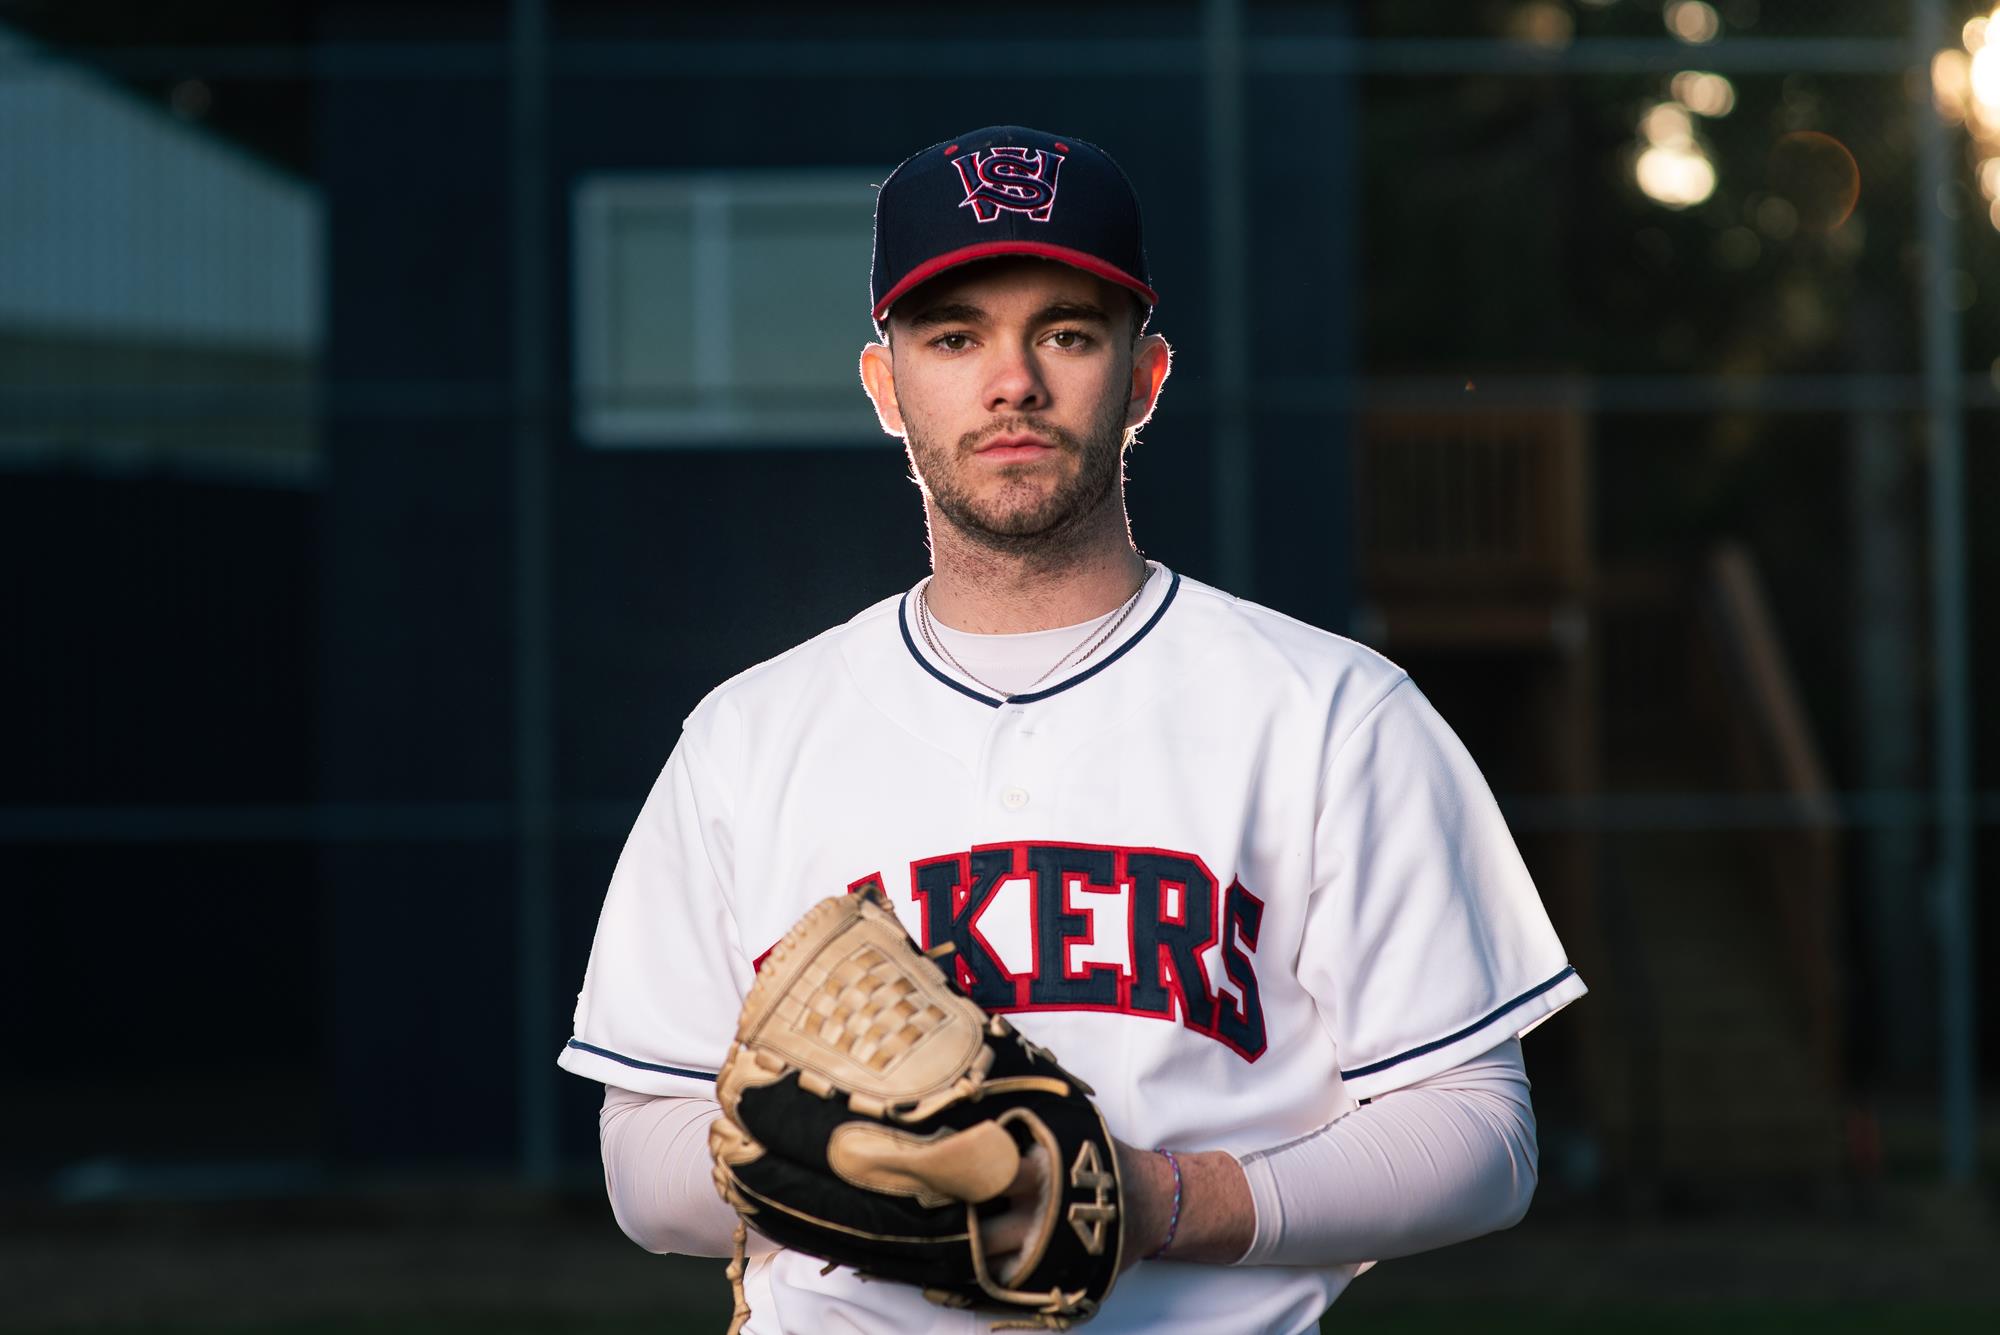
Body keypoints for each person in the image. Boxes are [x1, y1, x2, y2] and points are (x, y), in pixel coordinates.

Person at [558, 125, 1586, 1334]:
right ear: (886, 389)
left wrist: (1145, 1200)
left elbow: (1478, 1136)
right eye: (953, 337)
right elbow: (642, 1155)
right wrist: (873, 1177)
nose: (1012, 384)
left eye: (1064, 331)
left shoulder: (1330, 713)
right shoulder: (748, 736)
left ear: (1143, 378)